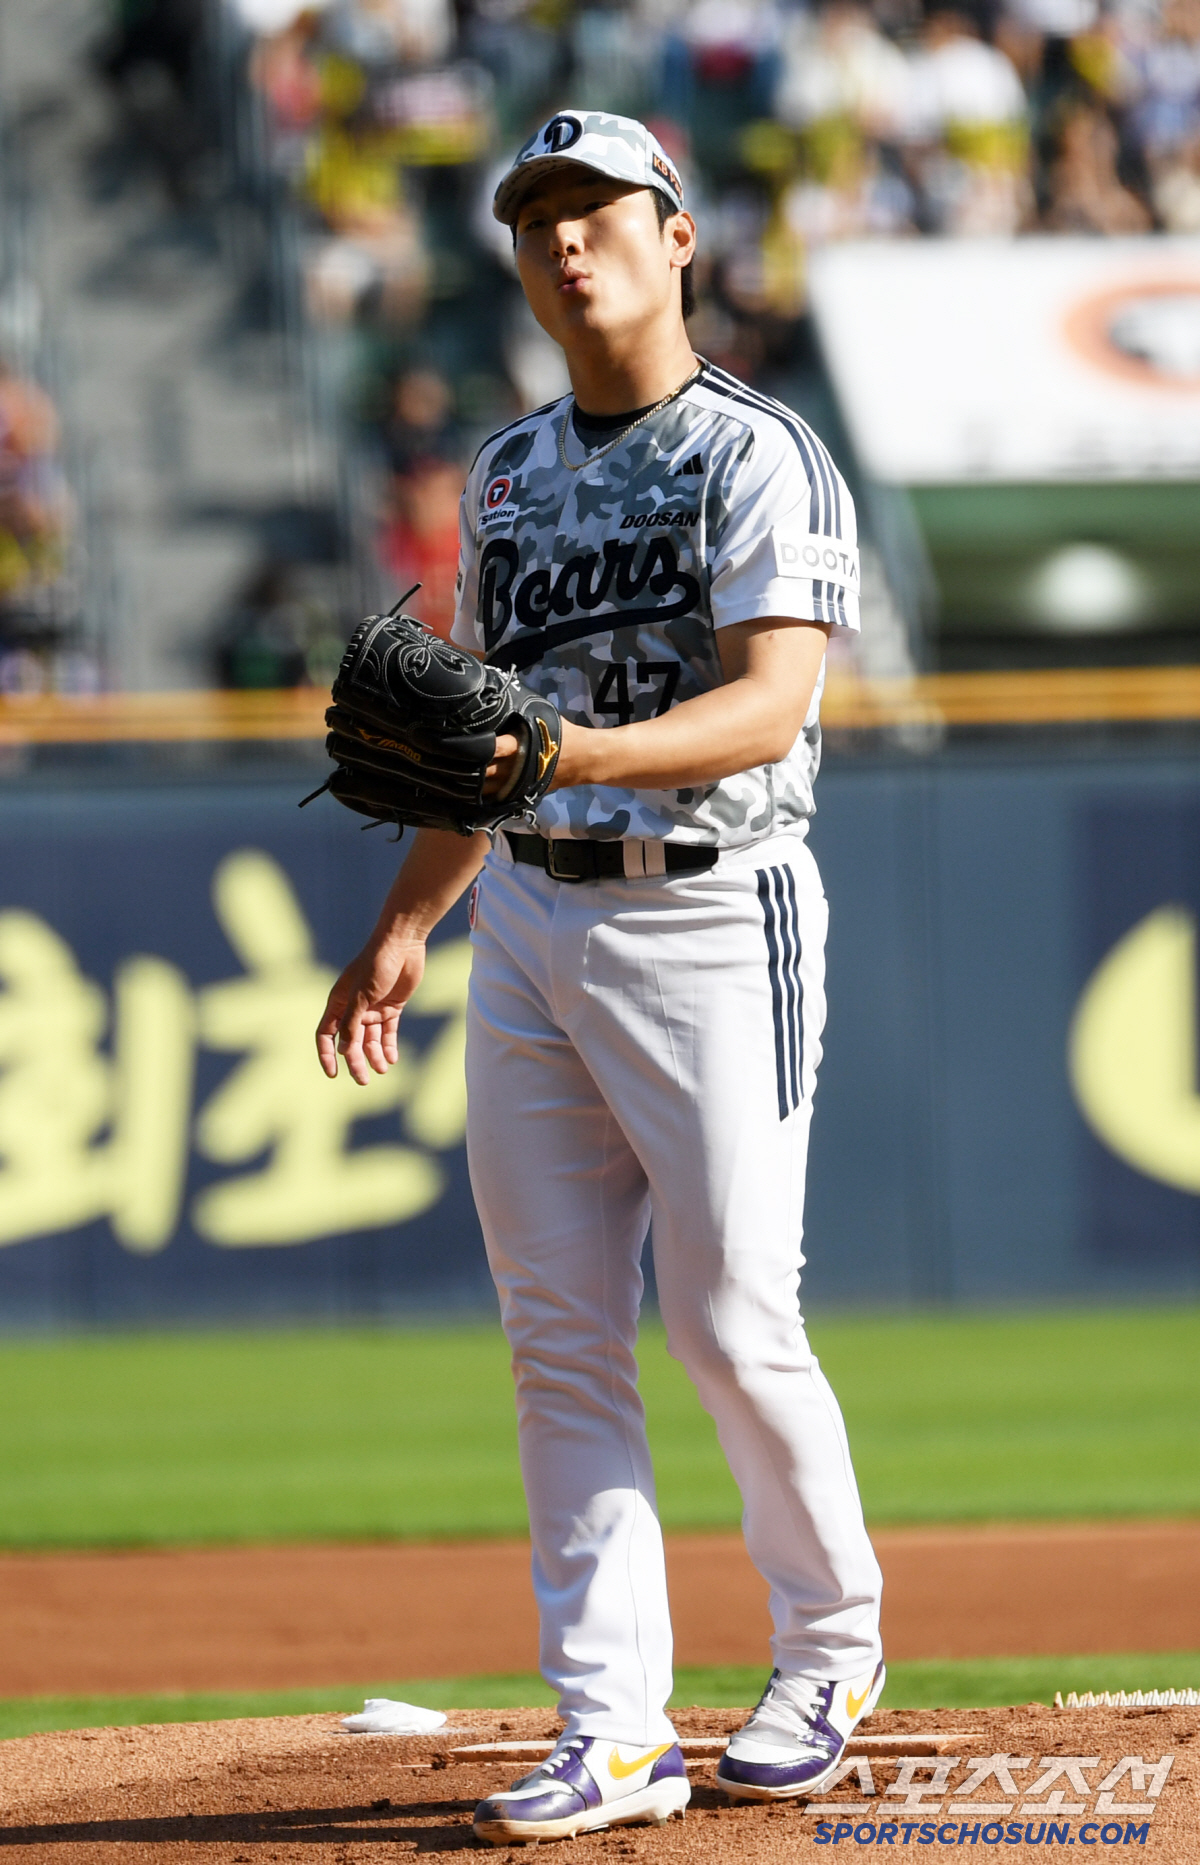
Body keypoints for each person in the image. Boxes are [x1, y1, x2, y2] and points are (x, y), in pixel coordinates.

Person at [316, 109, 883, 1847]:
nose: (570, 241)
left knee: (728, 1316)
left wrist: (560, 742)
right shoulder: (503, 475)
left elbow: (768, 704)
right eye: (540, 217)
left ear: (678, 233)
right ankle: (611, 1728)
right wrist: (413, 915)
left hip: (716, 915)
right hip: (533, 929)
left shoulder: (757, 451)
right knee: (561, 1338)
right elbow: (476, 746)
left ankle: (831, 1645)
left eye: (601, 209)